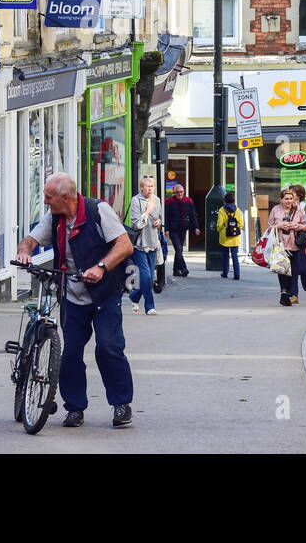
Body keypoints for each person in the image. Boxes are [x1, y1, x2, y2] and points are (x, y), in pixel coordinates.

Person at [15, 172, 135, 429]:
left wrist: (101, 267)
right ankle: (75, 408)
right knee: (69, 353)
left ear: (64, 197)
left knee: (108, 348)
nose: (45, 201)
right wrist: (24, 252)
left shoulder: (97, 211)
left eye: (49, 197)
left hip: (105, 293)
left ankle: (121, 404)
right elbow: (31, 239)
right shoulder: (55, 217)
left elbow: (125, 246)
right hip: (72, 294)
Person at [267, 188, 306, 306]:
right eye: (286, 199)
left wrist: (296, 226)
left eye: (291, 198)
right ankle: (284, 293)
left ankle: (289, 294)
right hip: (280, 245)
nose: (288, 201)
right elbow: (269, 227)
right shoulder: (275, 210)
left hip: (295, 245)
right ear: (281, 200)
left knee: (293, 271)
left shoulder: (299, 210)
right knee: (282, 270)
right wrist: (279, 225)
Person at [126, 175, 162, 315]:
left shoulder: (157, 200)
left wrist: (158, 222)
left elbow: (159, 217)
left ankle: (134, 296)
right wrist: (147, 211)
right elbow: (136, 224)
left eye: (152, 186)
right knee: (146, 276)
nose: (150, 189)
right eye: (147, 186)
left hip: (153, 242)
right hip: (140, 243)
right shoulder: (136, 200)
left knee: (149, 275)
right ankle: (150, 307)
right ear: (142, 187)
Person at [163, 183, 200, 277]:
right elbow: (166, 216)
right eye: (178, 192)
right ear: (174, 192)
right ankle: (184, 268)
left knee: (179, 251)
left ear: (184, 192)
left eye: (181, 192)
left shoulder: (188, 201)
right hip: (172, 229)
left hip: (183, 229)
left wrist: (196, 227)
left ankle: (176, 270)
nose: (180, 194)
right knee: (179, 249)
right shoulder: (169, 202)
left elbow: (193, 215)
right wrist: (166, 229)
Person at [215, 191, 243, 279]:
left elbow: (219, 224)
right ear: (233, 200)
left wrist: (220, 230)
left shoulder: (222, 210)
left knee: (225, 256)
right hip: (235, 237)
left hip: (225, 236)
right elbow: (241, 224)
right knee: (235, 256)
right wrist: (236, 228)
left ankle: (225, 273)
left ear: (225, 201)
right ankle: (237, 274)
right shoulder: (237, 210)